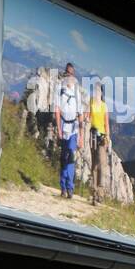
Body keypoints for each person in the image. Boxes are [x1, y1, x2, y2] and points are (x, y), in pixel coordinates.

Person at [56, 63, 83, 199]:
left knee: (71, 158)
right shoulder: (59, 89)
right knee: (63, 158)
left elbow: (80, 115)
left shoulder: (77, 92)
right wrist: (58, 128)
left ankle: (70, 188)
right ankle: (63, 187)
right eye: (67, 73)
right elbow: (57, 110)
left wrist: (81, 136)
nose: (69, 76)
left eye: (71, 74)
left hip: (74, 128)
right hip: (63, 126)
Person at [88, 81, 111, 205]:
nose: (96, 93)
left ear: (101, 93)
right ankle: (94, 193)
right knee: (94, 165)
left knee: (102, 164)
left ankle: (100, 194)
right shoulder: (91, 102)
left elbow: (106, 123)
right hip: (92, 135)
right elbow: (88, 116)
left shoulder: (104, 106)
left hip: (101, 137)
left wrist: (107, 137)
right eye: (95, 90)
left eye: (98, 91)